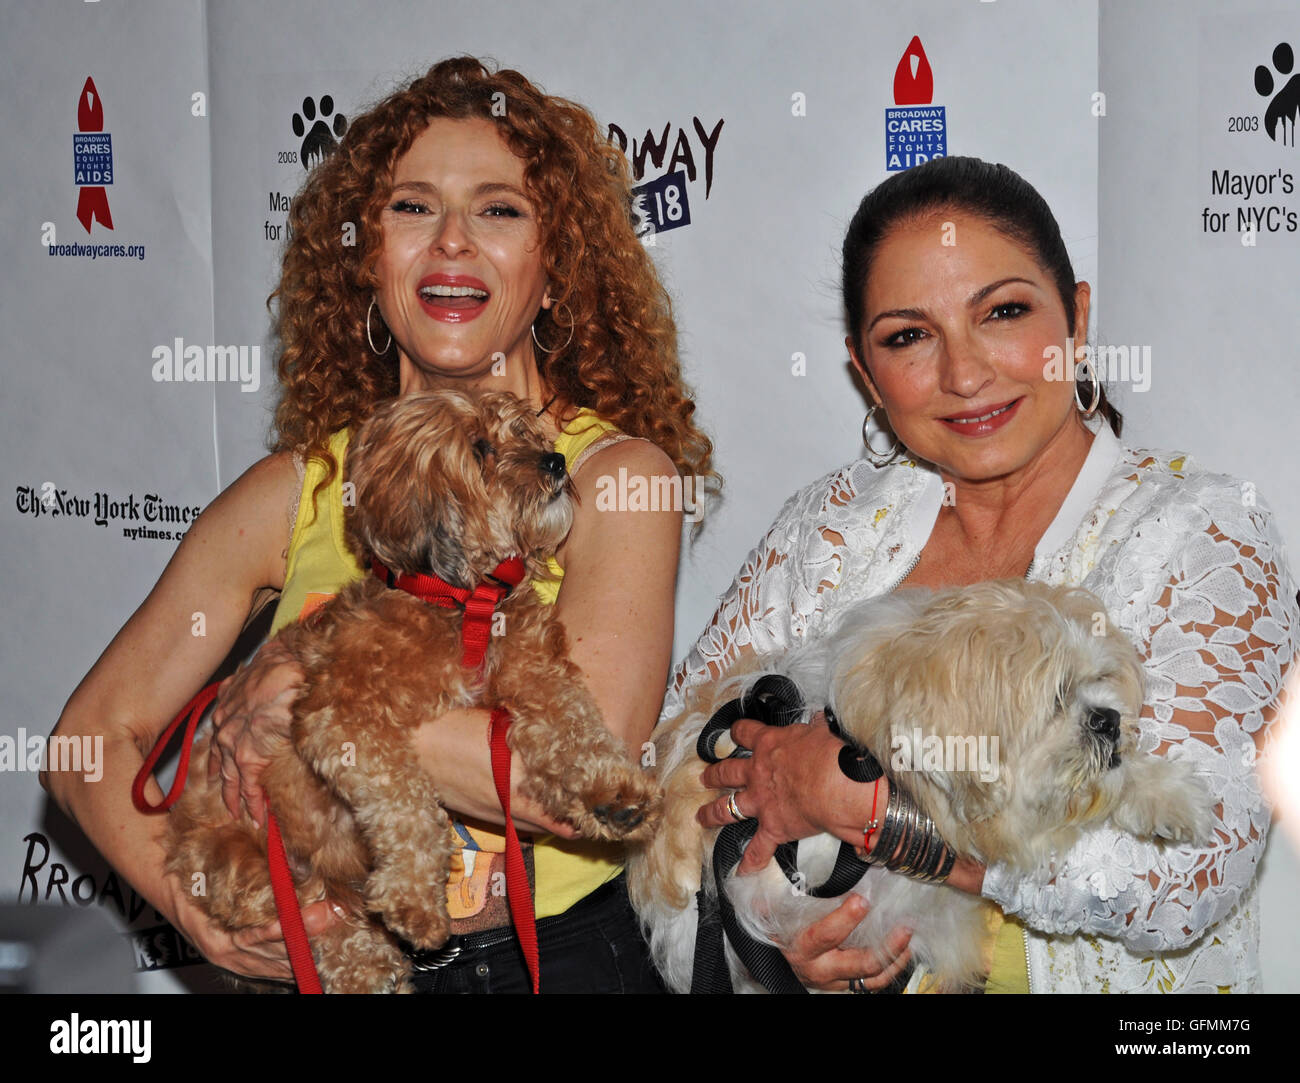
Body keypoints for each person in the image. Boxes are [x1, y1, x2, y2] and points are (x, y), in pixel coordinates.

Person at [44, 57, 713, 993]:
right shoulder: (296, 490)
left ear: (556, 269)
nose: (450, 244)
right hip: (342, 966)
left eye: (498, 210)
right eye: (411, 208)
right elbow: (88, 739)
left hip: (553, 965)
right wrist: (192, 901)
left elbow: (572, 786)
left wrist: (303, 702)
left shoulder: (617, 480)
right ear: (367, 257)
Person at [671, 155, 1297, 993]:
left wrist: (866, 810)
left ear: (1075, 316)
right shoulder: (827, 531)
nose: (964, 375)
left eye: (1002, 312)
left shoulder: (1200, 537)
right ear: (864, 370)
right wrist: (774, 931)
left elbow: (1183, 876)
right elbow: (680, 761)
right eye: (908, 336)